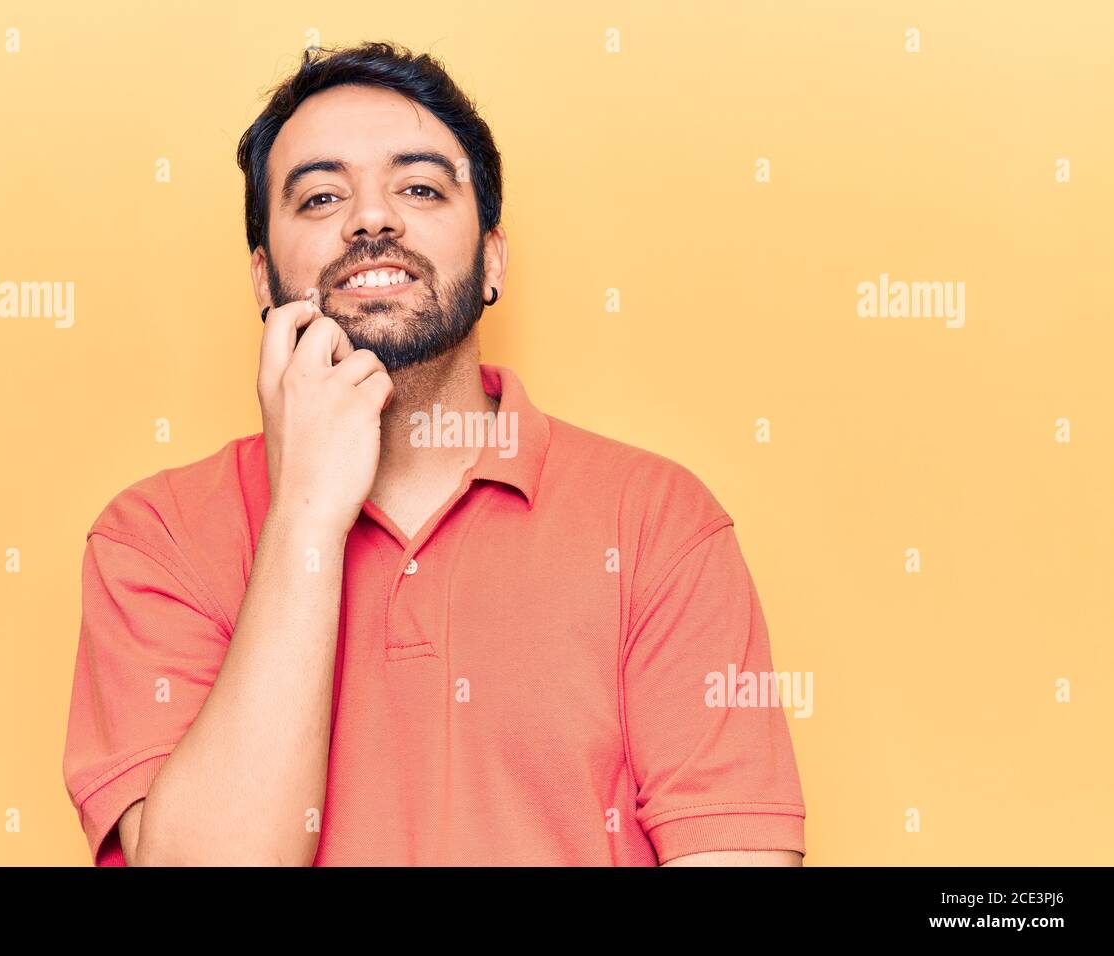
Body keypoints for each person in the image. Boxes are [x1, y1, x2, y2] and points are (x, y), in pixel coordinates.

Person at [61, 40, 806, 866]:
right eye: (319, 197)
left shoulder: (658, 521)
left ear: (491, 258)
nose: (371, 220)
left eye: (419, 187)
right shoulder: (152, 539)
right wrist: (304, 517)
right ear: (263, 278)